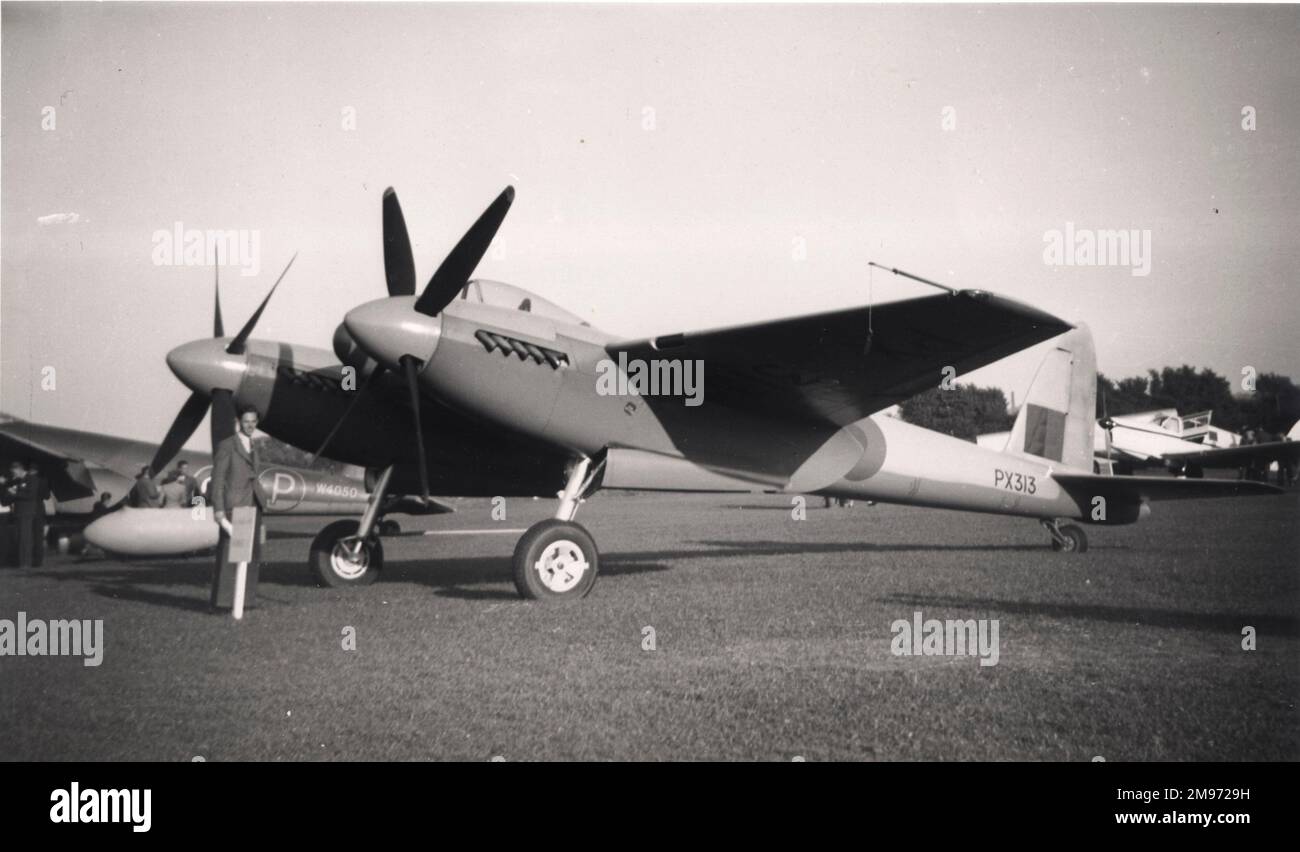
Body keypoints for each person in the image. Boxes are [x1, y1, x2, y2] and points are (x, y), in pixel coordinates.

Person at [210, 406, 270, 612]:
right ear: (238, 421)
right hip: (234, 504)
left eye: (253, 421)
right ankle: (223, 602)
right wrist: (218, 509)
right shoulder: (227, 445)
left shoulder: (254, 445)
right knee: (230, 553)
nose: (250, 425)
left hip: (253, 502)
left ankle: (245, 600)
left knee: (249, 554)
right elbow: (217, 480)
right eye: (246, 422)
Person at [1, 460, 50, 568]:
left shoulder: (32, 479)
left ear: (19, 469)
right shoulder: (18, 481)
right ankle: (21, 561)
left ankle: (25, 563)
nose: (13, 474)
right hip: (18, 512)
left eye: (14, 471)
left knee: (25, 538)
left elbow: (30, 495)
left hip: (27, 512)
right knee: (20, 537)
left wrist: (15, 493)